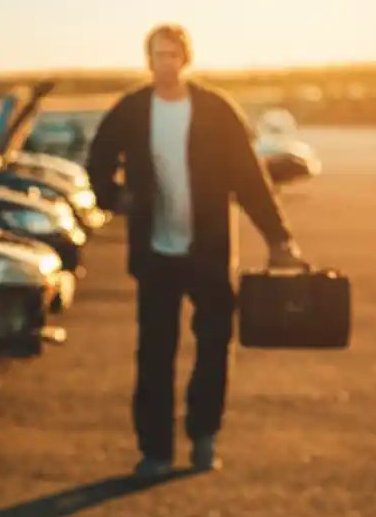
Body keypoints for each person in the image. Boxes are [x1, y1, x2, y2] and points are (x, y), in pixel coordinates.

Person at [86, 24, 306, 477]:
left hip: (208, 252)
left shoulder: (215, 110)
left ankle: (204, 436)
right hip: (156, 254)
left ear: (185, 59)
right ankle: (156, 451)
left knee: (213, 347)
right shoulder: (131, 110)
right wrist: (115, 197)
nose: (163, 62)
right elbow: (98, 161)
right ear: (147, 60)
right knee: (154, 354)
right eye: (156, 55)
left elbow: (250, 178)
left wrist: (278, 236)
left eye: (171, 54)